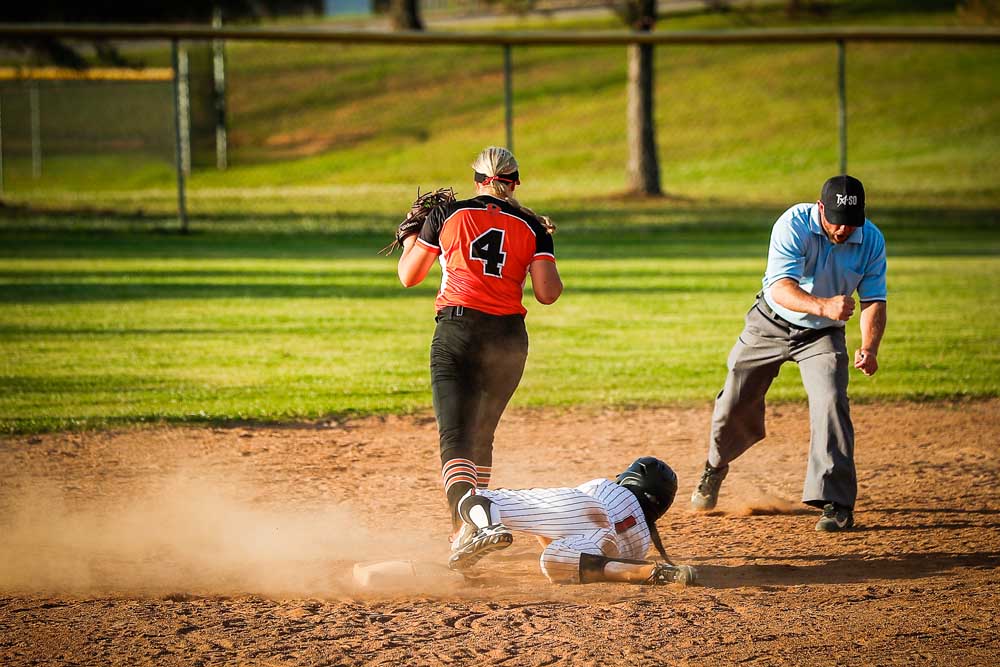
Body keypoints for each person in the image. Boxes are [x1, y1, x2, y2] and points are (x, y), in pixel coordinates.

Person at [690, 175, 887, 532]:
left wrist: (869, 348)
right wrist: (825, 306)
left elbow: (874, 299)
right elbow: (780, 288)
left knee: (830, 400)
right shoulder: (793, 223)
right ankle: (715, 466)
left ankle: (836, 502)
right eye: (836, 220)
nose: (843, 230)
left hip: (822, 336)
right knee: (734, 400)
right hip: (770, 323)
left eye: (852, 221)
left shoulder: (870, 238)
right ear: (820, 208)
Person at [397, 146, 563, 541]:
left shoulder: (447, 214)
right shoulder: (532, 225)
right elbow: (547, 294)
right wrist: (543, 253)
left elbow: (409, 276)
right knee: (482, 435)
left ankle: (470, 528)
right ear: (515, 182)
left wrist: (410, 238)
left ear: (477, 181)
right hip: (507, 338)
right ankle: (471, 529)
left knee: (455, 436)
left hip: (458, 331)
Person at [449, 456, 697, 586]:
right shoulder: (642, 543)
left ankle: (488, 526)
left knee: (476, 496)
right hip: (604, 548)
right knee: (554, 562)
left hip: (586, 507)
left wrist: (534, 521)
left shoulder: (606, 485)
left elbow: (563, 517)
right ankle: (653, 573)